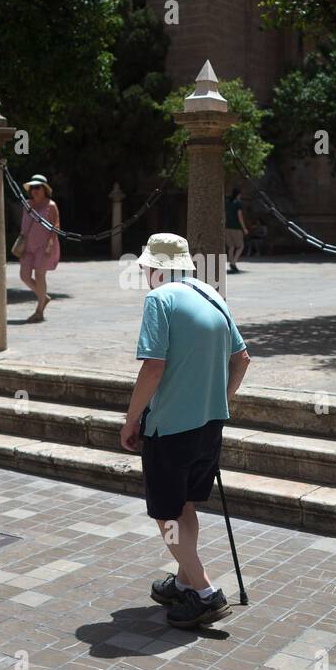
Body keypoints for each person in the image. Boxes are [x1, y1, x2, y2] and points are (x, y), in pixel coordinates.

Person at [120, 233, 250, 629]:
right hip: (210, 425)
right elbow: (242, 359)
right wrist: (219, 400)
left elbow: (154, 366)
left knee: (167, 516)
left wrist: (130, 419)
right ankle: (183, 581)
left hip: (170, 427)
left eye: (145, 266)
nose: (143, 272)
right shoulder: (214, 297)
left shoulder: (160, 300)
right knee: (185, 506)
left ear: (156, 267)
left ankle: (207, 593)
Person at [18, 174, 60, 322]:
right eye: (32, 187)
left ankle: (39, 311)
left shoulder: (51, 205)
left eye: (37, 187)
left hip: (44, 246)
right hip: (28, 246)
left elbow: (56, 226)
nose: (34, 190)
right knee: (24, 276)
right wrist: (21, 244)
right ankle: (44, 297)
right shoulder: (27, 204)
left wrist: (49, 246)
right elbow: (24, 225)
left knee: (39, 276)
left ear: (44, 189)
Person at [225, 188, 248, 273]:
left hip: (227, 227)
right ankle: (233, 262)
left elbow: (225, 214)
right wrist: (244, 228)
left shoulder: (227, 203)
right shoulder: (238, 203)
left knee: (231, 246)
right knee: (241, 246)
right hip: (236, 228)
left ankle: (231, 262)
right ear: (238, 194)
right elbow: (240, 217)